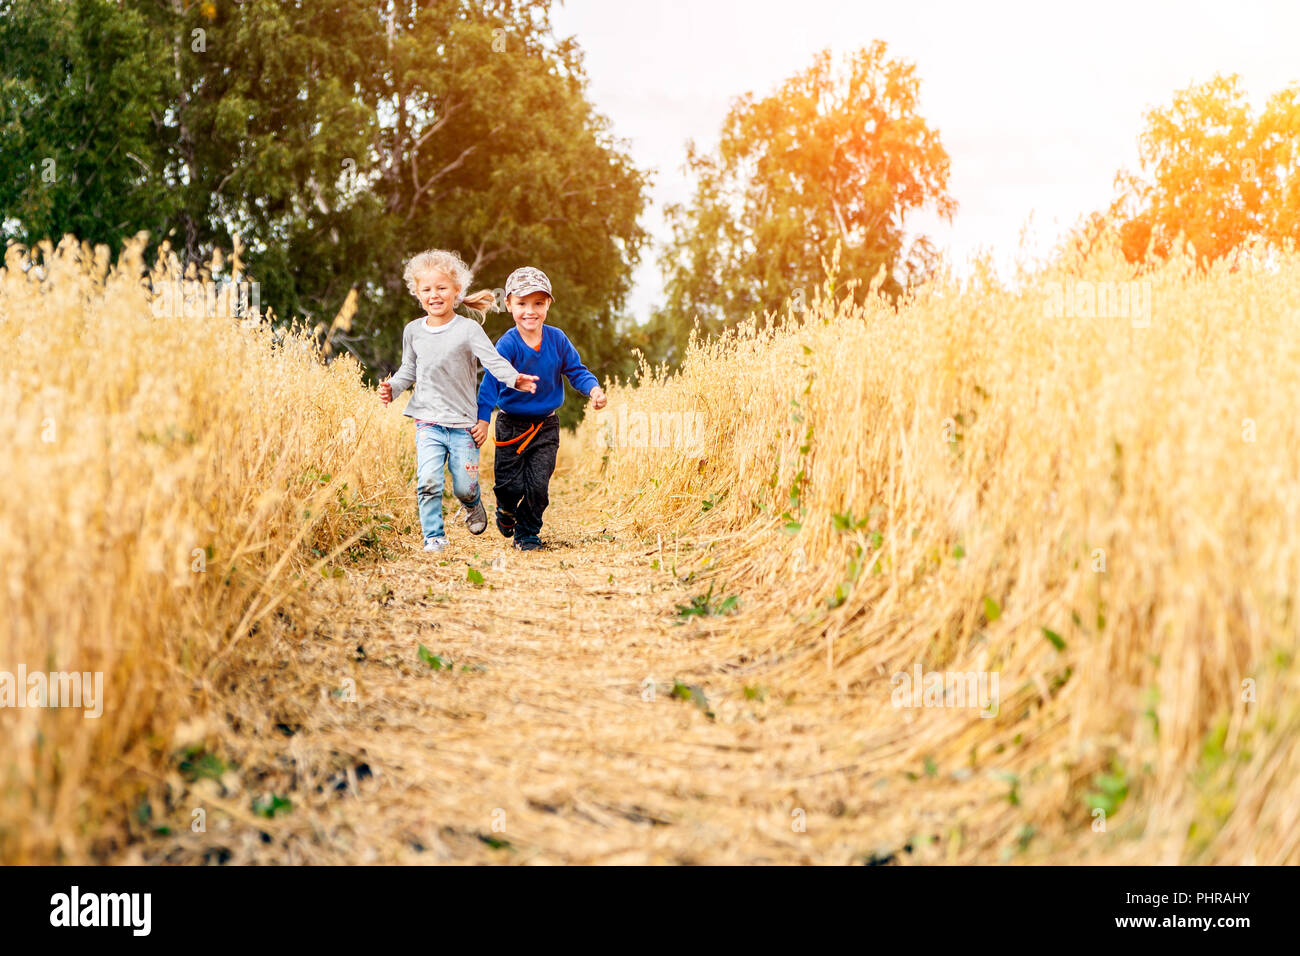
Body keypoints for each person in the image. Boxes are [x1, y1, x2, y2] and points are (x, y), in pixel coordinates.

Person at [381, 250, 538, 553]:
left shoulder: (468, 329)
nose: (434, 295)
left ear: (456, 290)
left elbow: (493, 361)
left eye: (441, 288)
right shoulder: (412, 331)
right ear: (417, 293)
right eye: (426, 289)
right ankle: (434, 537)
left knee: (464, 487)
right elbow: (408, 370)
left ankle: (472, 503)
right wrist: (393, 387)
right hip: (427, 421)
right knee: (428, 480)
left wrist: (514, 378)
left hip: (463, 424)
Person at [475, 266, 606, 551]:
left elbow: (576, 371)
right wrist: (483, 419)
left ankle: (528, 532)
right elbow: (490, 383)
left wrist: (593, 389)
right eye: (522, 303)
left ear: (548, 304)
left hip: (546, 426)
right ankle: (506, 509)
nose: (530, 311)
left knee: (537, 487)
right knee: (509, 486)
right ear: (508, 304)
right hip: (511, 425)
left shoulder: (557, 340)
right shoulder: (508, 344)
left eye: (538, 303)